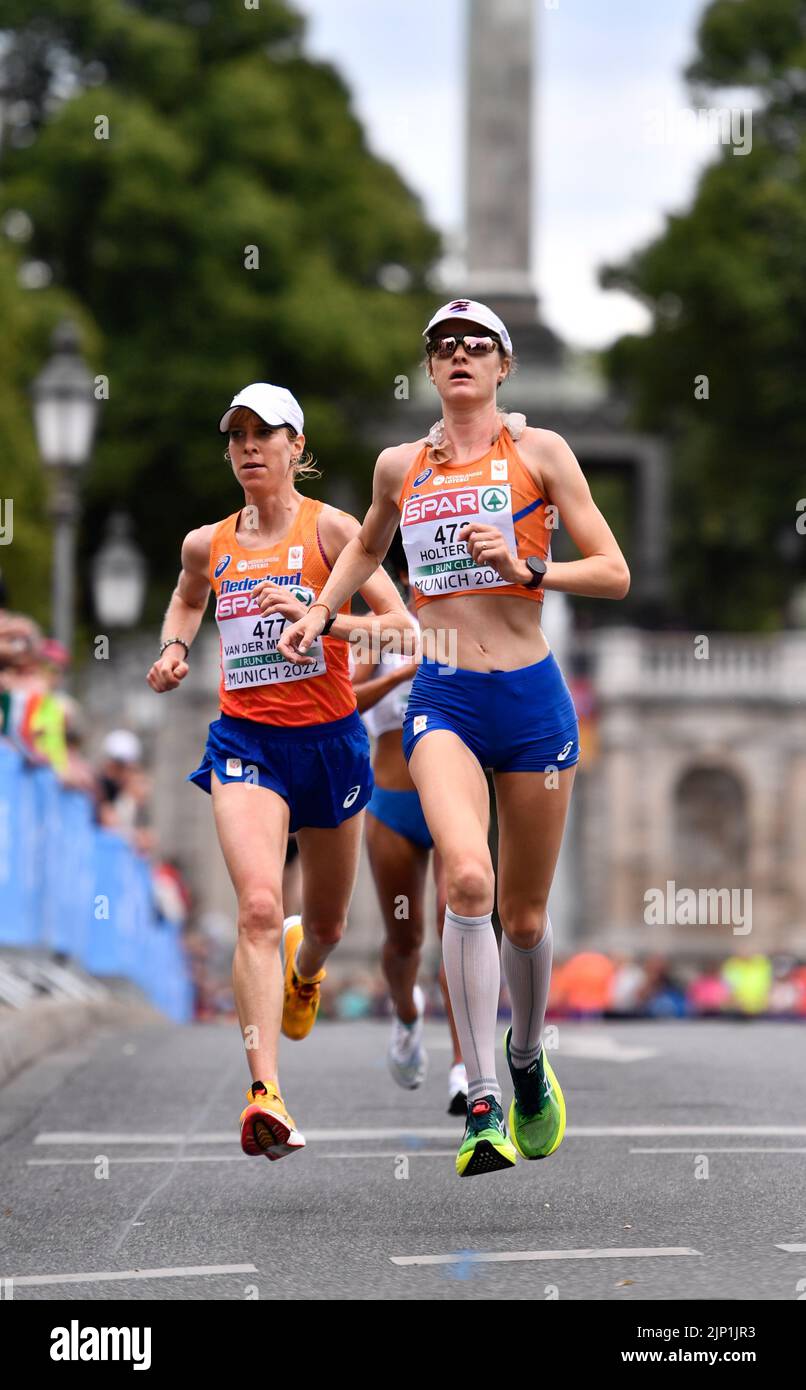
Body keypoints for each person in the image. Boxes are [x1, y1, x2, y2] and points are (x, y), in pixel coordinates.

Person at [278, 300, 630, 1177]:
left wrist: (527, 566)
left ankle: (524, 1059)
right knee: (466, 879)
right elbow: (365, 547)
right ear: (430, 369)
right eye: (445, 347)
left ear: (503, 367)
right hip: (445, 697)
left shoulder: (540, 453)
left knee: (525, 914)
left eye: (478, 346)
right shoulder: (402, 465)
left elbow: (614, 572)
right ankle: (480, 1101)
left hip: (534, 700)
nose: (461, 356)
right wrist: (324, 611)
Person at [146, 382, 409, 1161]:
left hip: (331, 745)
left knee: (323, 925)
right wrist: (175, 648)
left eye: (265, 434)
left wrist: (321, 612)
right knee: (260, 907)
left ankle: (309, 971)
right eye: (236, 436)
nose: (249, 447)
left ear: (297, 445)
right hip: (246, 744)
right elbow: (188, 598)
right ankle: (265, 1092)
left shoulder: (331, 529)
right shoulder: (209, 543)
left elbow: (403, 630)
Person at [350, 531, 467, 1112]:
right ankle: (406, 1014)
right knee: (405, 938)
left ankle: (465, 1066)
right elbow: (343, 702)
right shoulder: (382, 627)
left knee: (460, 921)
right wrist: (401, 675)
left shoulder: (473, 619)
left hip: (455, 796)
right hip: (393, 802)